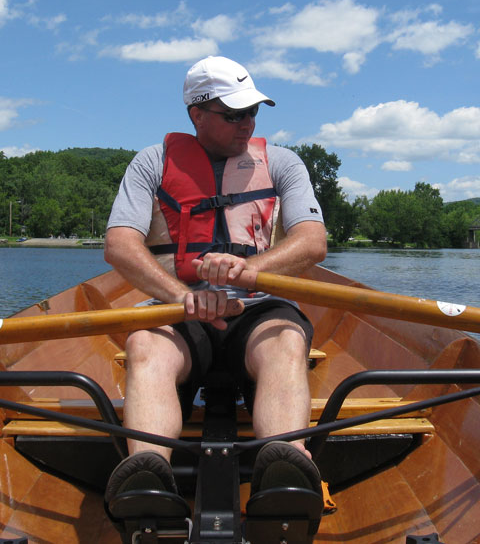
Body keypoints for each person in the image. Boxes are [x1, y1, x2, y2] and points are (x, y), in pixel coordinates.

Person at [103, 56, 327, 507]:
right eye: (233, 114)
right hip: (177, 309)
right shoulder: (151, 163)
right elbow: (120, 247)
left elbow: (312, 242)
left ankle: (284, 468)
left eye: (253, 112)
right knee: (144, 346)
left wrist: (252, 270)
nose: (247, 123)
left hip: (257, 307)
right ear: (197, 115)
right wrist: (185, 298)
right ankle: (147, 481)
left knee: (286, 341)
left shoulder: (283, 162)